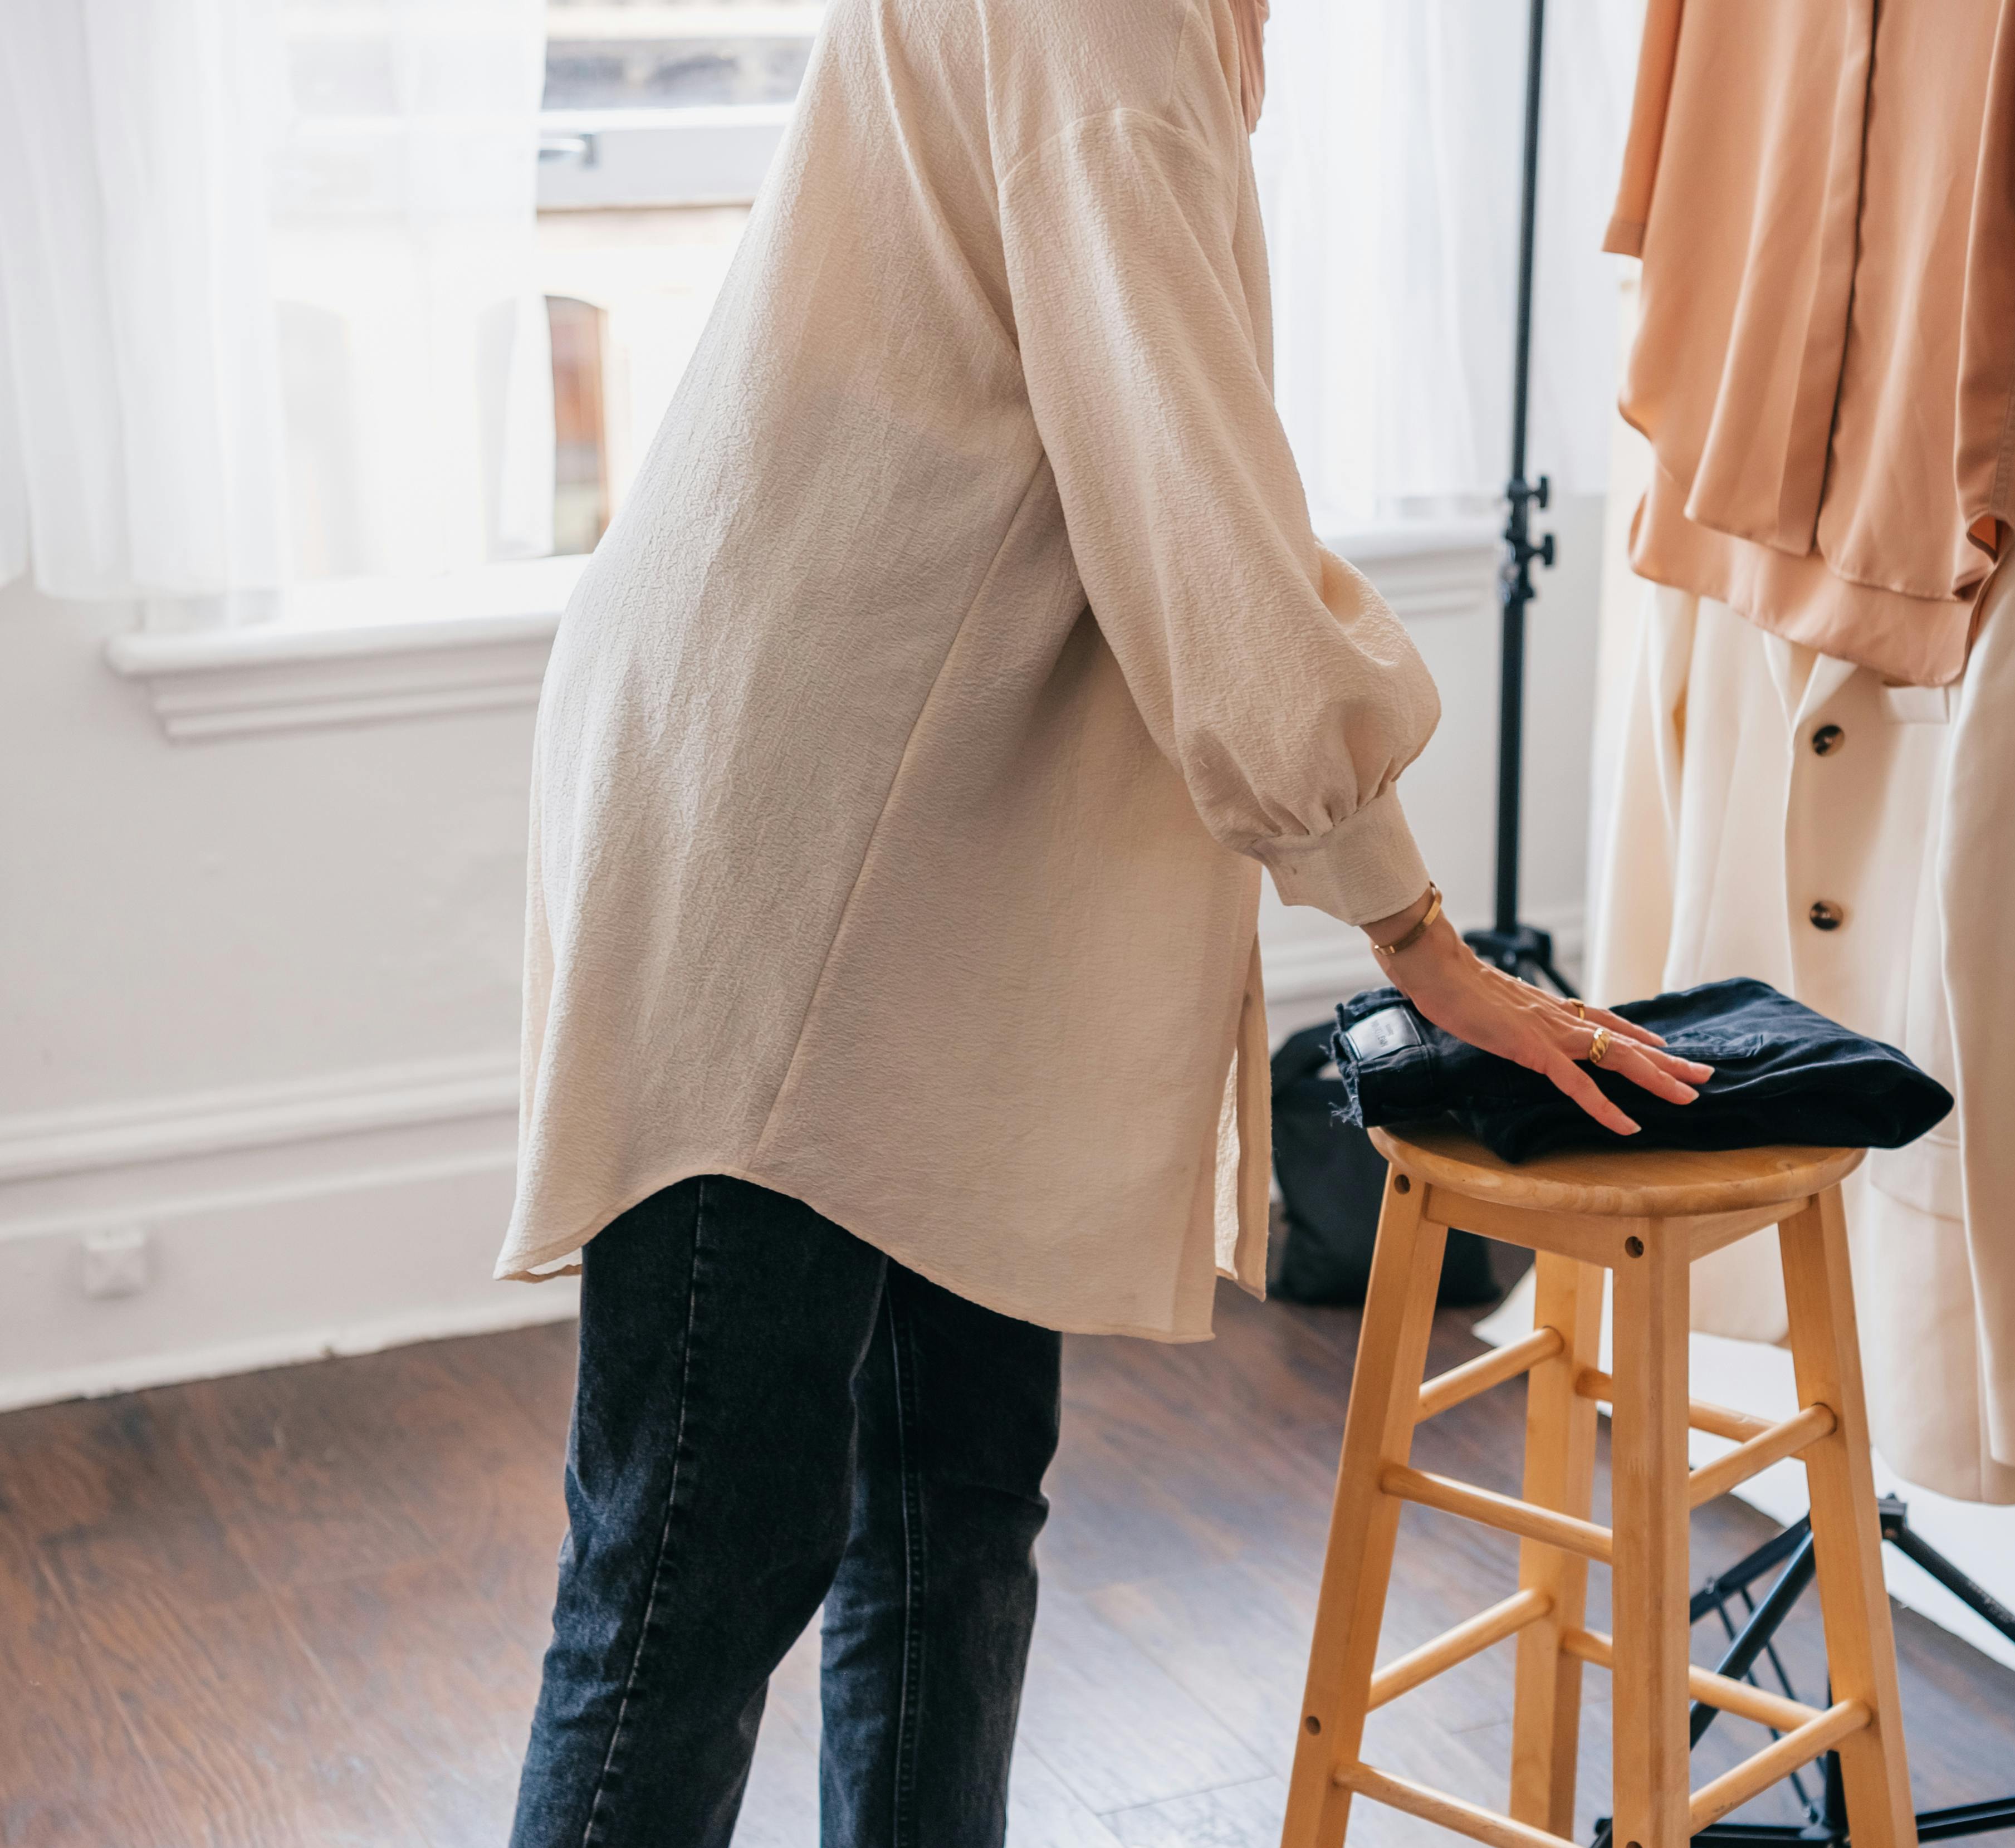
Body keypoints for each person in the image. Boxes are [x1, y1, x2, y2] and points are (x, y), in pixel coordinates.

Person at [495, 3, 1712, 1845]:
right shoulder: (1115, 31)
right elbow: (1193, 521)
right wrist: (1418, 941)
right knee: (694, 1555)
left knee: (956, 1497)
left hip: (937, 810)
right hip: (797, 810)